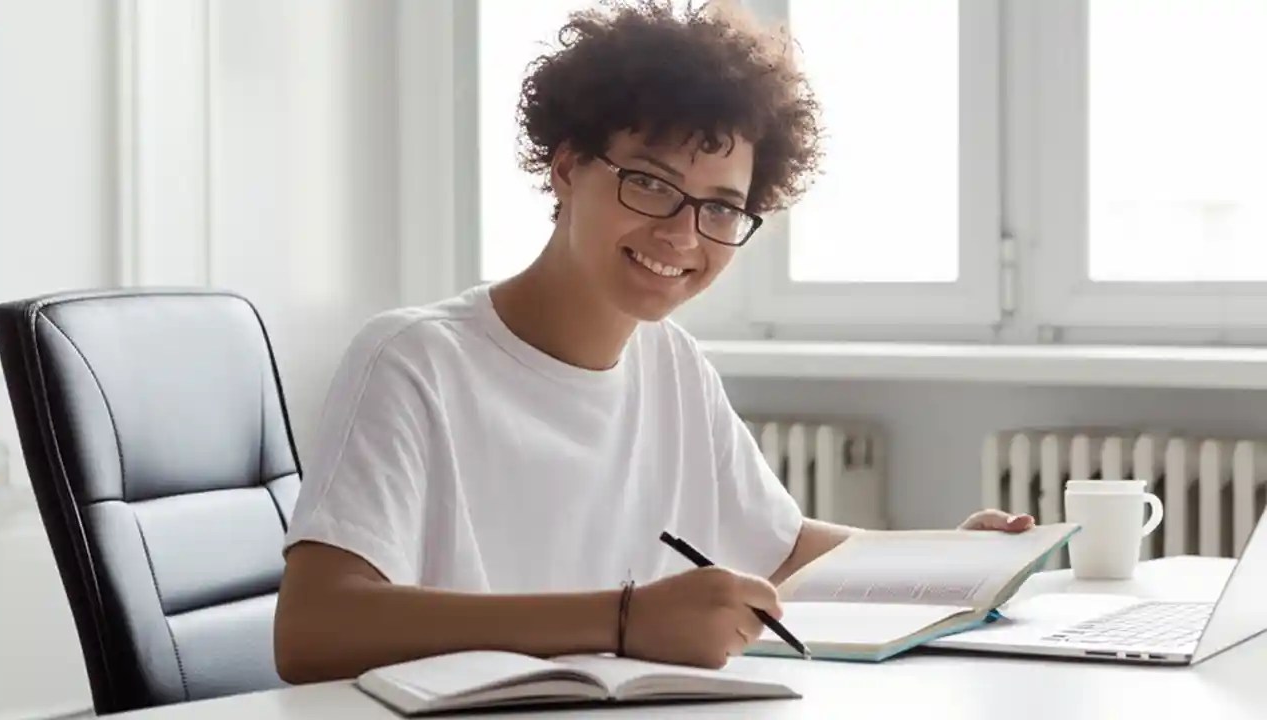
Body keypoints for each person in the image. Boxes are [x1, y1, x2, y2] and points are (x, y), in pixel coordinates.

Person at [273, 0, 1033, 683]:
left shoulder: (671, 364)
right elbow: (312, 629)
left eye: (721, 208)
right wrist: (625, 619)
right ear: (567, 167)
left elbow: (784, 548)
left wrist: (948, 562)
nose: (681, 233)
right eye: (650, 184)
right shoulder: (414, 362)